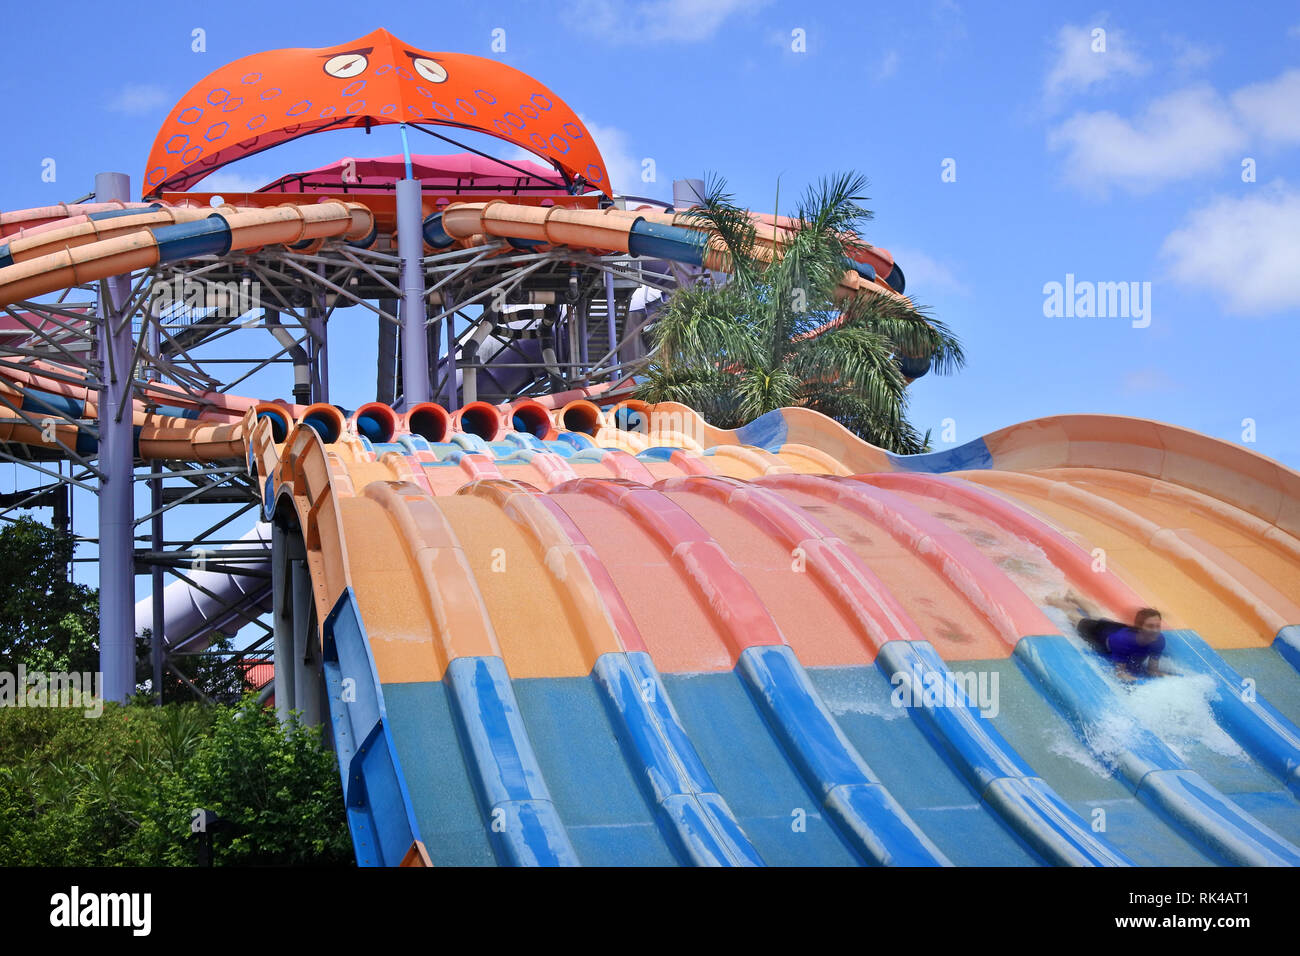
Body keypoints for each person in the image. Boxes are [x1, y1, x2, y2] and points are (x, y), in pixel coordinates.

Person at [1045, 589, 1170, 682]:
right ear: (1139, 627)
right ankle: (1053, 599)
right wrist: (1137, 681)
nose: (1155, 630)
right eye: (1150, 626)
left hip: (1115, 629)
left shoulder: (1159, 640)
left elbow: (1152, 670)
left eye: (1157, 626)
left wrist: (1168, 678)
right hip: (1098, 633)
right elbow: (1120, 673)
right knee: (1075, 617)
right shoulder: (1123, 641)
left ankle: (1073, 596)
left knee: (1098, 616)